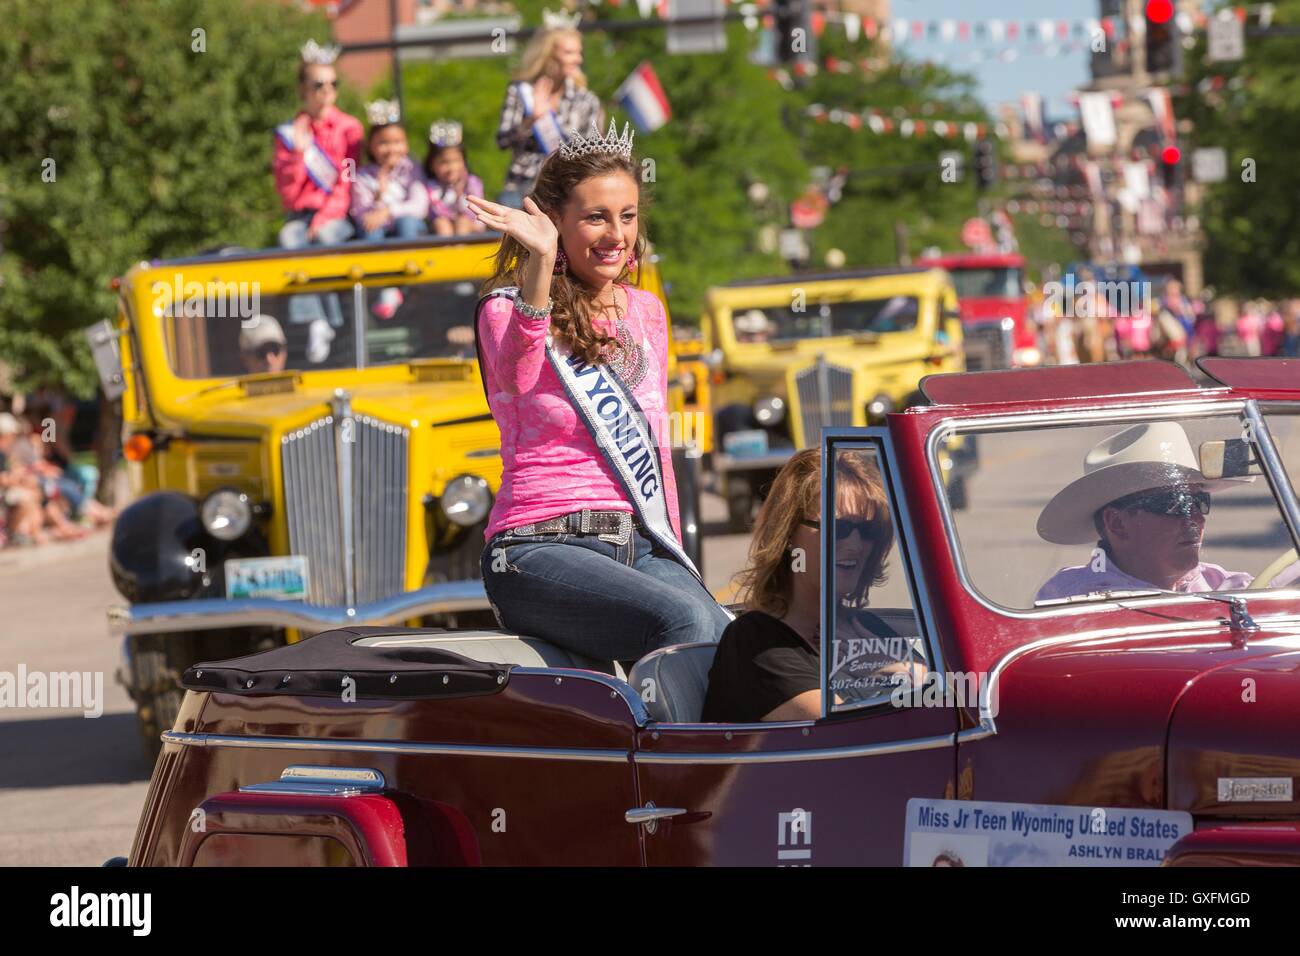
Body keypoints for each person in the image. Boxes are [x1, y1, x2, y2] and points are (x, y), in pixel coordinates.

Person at [469, 119, 730, 665]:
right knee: (683, 621)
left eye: (627, 216)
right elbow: (516, 378)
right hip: (537, 546)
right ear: (553, 221)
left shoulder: (648, 311)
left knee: (728, 635)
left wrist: (676, 552)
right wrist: (539, 265)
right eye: (595, 217)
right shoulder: (505, 309)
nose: (616, 234)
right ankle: (677, 753)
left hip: (639, 539)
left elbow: (654, 445)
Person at [701, 448, 924, 723]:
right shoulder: (757, 641)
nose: (855, 545)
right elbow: (848, 732)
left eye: (869, 531)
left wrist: (899, 670)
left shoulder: (869, 629)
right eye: (837, 528)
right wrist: (895, 674)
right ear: (788, 533)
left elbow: (952, 707)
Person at [1035, 422, 1253, 602]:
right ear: (1117, 523)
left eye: (1200, 502)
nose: (1196, 518)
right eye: (1176, 504)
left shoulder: (1229, 586)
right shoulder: (1072, 598)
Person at [493, 14, 602, 208]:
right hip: (522, 189)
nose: (578, 59)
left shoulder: (586, 100)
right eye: (569, 52)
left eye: (579, 52)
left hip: (567, 190)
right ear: (549, 54)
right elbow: (502, 141)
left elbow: (591, 155)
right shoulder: (521, 91)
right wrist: (531, 119)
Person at [273, 40, 363, 248]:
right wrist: (297, 155)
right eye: (319, 84)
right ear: (303, 88)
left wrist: (325, 216)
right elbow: (286, 195)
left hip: (338, 213)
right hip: (300, 217)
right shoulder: (288, 133)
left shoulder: (350, 129)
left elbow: (349, 180)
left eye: (333, 84)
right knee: (289, 240)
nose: (327, 90)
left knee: (326, 237)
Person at [351, 100, 429, 242]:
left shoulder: (412, 170)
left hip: (408, 227)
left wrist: (388, 212)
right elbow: (359, 212)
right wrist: (379, 197)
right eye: (383, 143)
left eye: (397, 142)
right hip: (376, 226)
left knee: (407, 223)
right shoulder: (363, 176)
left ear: (406, 144)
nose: (392, 149)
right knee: (371, 229)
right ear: (371, 146)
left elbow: (419, 206)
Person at [423, 121, 486, 236]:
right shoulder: (431, 185)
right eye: (444, 162)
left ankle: (459, 251)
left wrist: (459, 196)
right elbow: (434, 211)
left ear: (464, 161)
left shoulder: (472, 183)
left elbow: (476, 213)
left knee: (463, 221)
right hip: (441, 226)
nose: (451, 168)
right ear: (432, 164)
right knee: (442, 223)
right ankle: (447, 252)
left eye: (456, 161)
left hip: (472, 226)